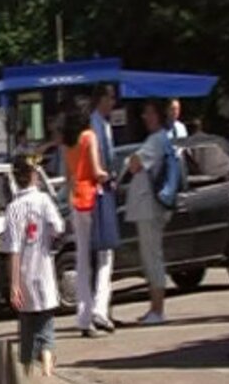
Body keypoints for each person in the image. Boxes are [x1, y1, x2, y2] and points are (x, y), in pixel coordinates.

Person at [4, 155, 66, 376]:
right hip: (44, 273)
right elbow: (58, 227)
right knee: (46, 332)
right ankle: (48, 375)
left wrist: (13, 285)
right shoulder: (43, 201)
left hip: (24, 278)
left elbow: (13, 249)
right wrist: (49, 235)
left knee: (27, 335)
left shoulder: (13, 209)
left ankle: (29, 382)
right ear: (33, 176)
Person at [122, 100, 177, 325]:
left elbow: (135, 164)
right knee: (151, 255)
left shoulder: (156, 140)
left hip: (149, 208)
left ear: (159, 116)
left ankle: (158, 310)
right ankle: (154, 308)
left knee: (152, 257)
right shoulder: (159, 139)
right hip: (149, 207)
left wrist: (129, 160)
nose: (145, 116)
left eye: (150, 112)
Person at [67, 97, 117, 338]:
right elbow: (97, 172)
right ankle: (99, 309)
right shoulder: (89, 137)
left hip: (76, 201)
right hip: (93, 200)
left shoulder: (68, 142)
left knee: (82, 260)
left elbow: (69, 176)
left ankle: (84, 317)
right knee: (105, 255)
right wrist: (109, 176)